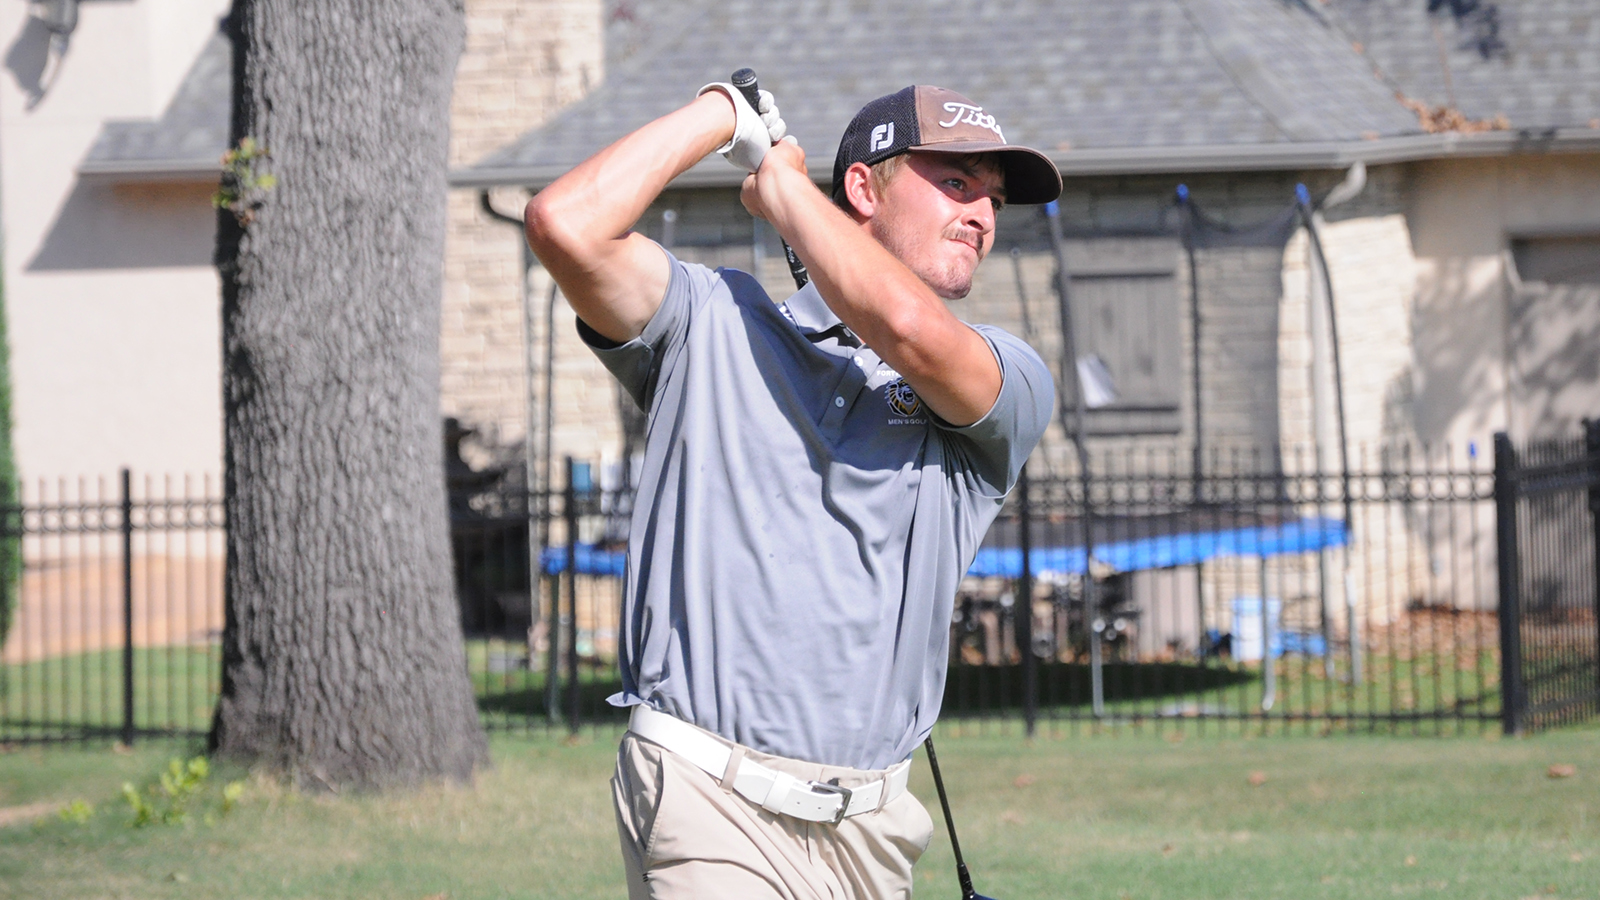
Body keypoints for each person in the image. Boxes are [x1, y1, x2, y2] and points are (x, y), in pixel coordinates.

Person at [523, 81, 1061, 899]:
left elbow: (911, 333)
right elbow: (567, 225)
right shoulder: (710, 321)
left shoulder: (1009, 375)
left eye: (992, 197)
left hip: (872, 835)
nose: (983, 213)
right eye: (956, 182)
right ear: (861, 188)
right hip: (708, 802)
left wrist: (781, 194)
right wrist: (723, 114)